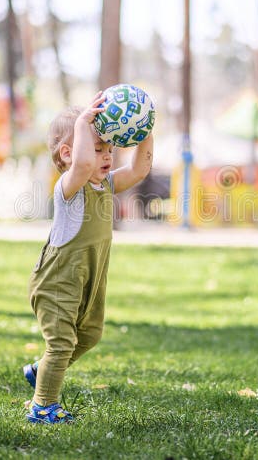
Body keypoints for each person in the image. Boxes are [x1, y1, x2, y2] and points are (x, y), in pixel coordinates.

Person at [22, 91, 154, 424]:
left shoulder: (106, 185)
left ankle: (42, 371)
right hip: (57, 281)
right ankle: (43, 407)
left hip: (87, 281)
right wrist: (82, 123)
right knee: (62, 342)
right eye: (98, 149)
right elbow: (82, 166)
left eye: (109, 148)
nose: (107, 156)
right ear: (67, 154)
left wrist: (145, 128)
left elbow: (139, 170)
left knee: (90, 335)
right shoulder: (68, 187)